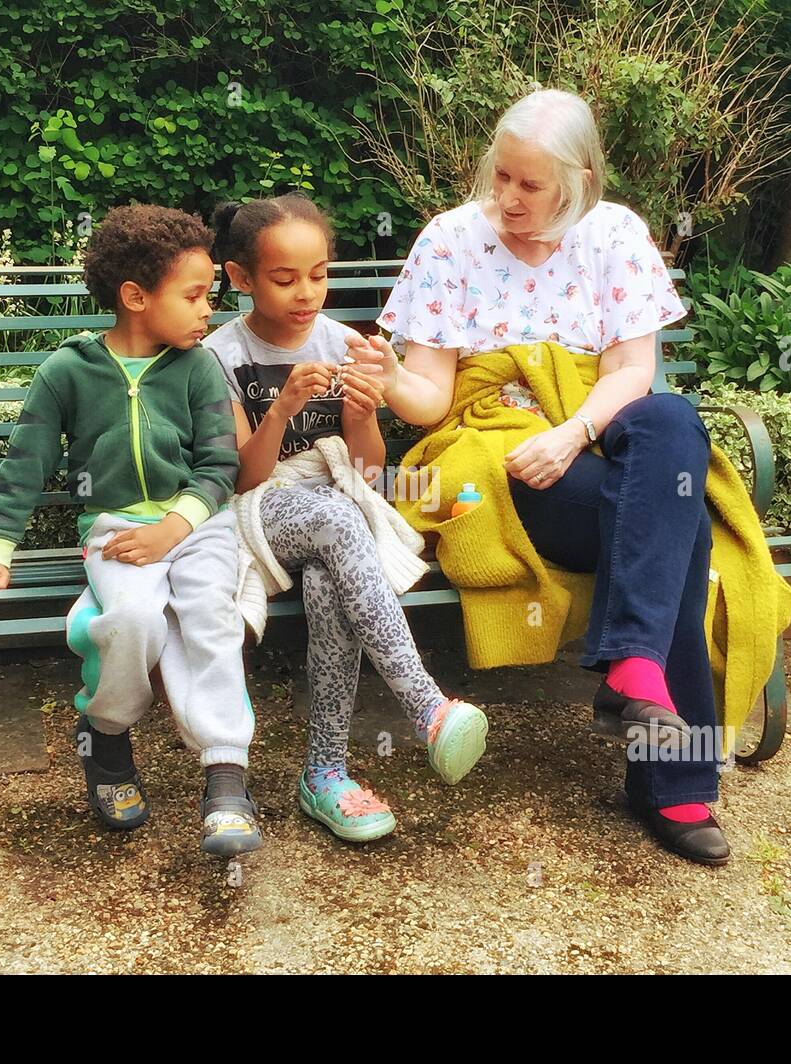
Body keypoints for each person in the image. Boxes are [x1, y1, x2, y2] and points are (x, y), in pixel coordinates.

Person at [353, 89, 731, 865]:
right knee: (678, 526)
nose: (508, 198)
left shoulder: (615, 234)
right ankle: (666, 762)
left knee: (670, 420)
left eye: (529, 184)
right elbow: (429, 403)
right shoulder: (451, 240)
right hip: (506, 461)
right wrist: (389, 376)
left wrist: (573, 432)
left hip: (589, 439)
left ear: (579, 178)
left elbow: (634, 370)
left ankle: (632, 671)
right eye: (501, 177)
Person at [0, 203, 262, 856]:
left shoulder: (199, 366)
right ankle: (107, 737)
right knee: (135, 621)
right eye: (196, 295)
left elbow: (218, 465)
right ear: (135, 297)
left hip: (199, 525)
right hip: (116, 531)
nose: (211, 309)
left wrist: (175, 530)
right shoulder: (67, 372)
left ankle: (226, 776)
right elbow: (26, 462)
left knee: (209, 613)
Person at [204, 193, 488, 843]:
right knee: (338, 521)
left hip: (335, 504)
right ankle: (426, 706)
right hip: (258, 508)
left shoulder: (343, 344)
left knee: (330, 579)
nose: (307, 292)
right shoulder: (222, 356)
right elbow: (241, 477)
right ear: (242, 278)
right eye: (284, 278)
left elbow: (364, 470)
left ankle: (324, 775)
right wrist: (280, 410)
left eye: (320, 273)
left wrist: (361, 415)